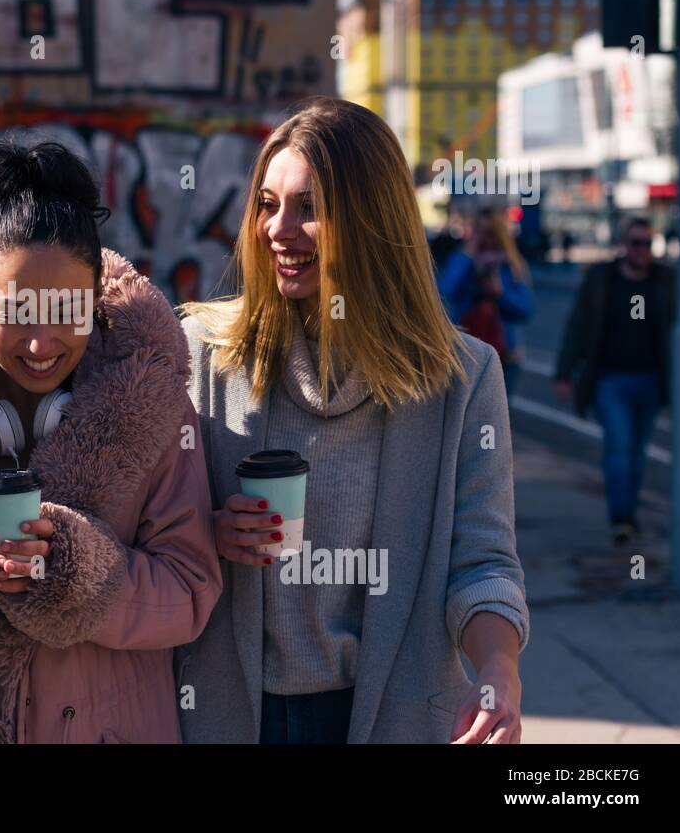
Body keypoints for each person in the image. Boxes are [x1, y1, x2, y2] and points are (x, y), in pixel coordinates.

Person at [176, 97, 528, 744]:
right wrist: (209, 532)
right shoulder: (200, 355)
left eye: (309, 207)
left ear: (369, 219)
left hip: (393, 718)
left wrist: (499, 671)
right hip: (228, 715)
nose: (278, 228)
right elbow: (150, 533)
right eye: (267, 203)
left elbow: (482, 561)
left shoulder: (462, 378)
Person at [0, 138, 221, 743]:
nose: (41, 342)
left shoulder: (155, 405)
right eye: (18, 310)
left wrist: (75, 576)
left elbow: (188, 590)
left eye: (67, 310)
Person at [554, 217, 675, 544]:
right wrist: (564, 372)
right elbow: (578, 327)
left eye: (647, 243)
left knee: (638, 452)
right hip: (611, 380)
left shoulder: (666, 280)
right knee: (619, 447)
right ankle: (621, 517)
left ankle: (630, 511)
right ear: (624, 245)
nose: (642, 250)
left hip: (650, 380)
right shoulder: (602, 278)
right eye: (636, 243)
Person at [438, 206, 534, 397]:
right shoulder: (464, 262)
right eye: (481, 233)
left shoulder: (512, 265)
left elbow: (526, 309)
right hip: (467, 352)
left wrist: (500, 295)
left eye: (492, 233)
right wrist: (469, 251)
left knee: (499, 416)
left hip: (505, 353)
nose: (487, 240)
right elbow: (444, 291)